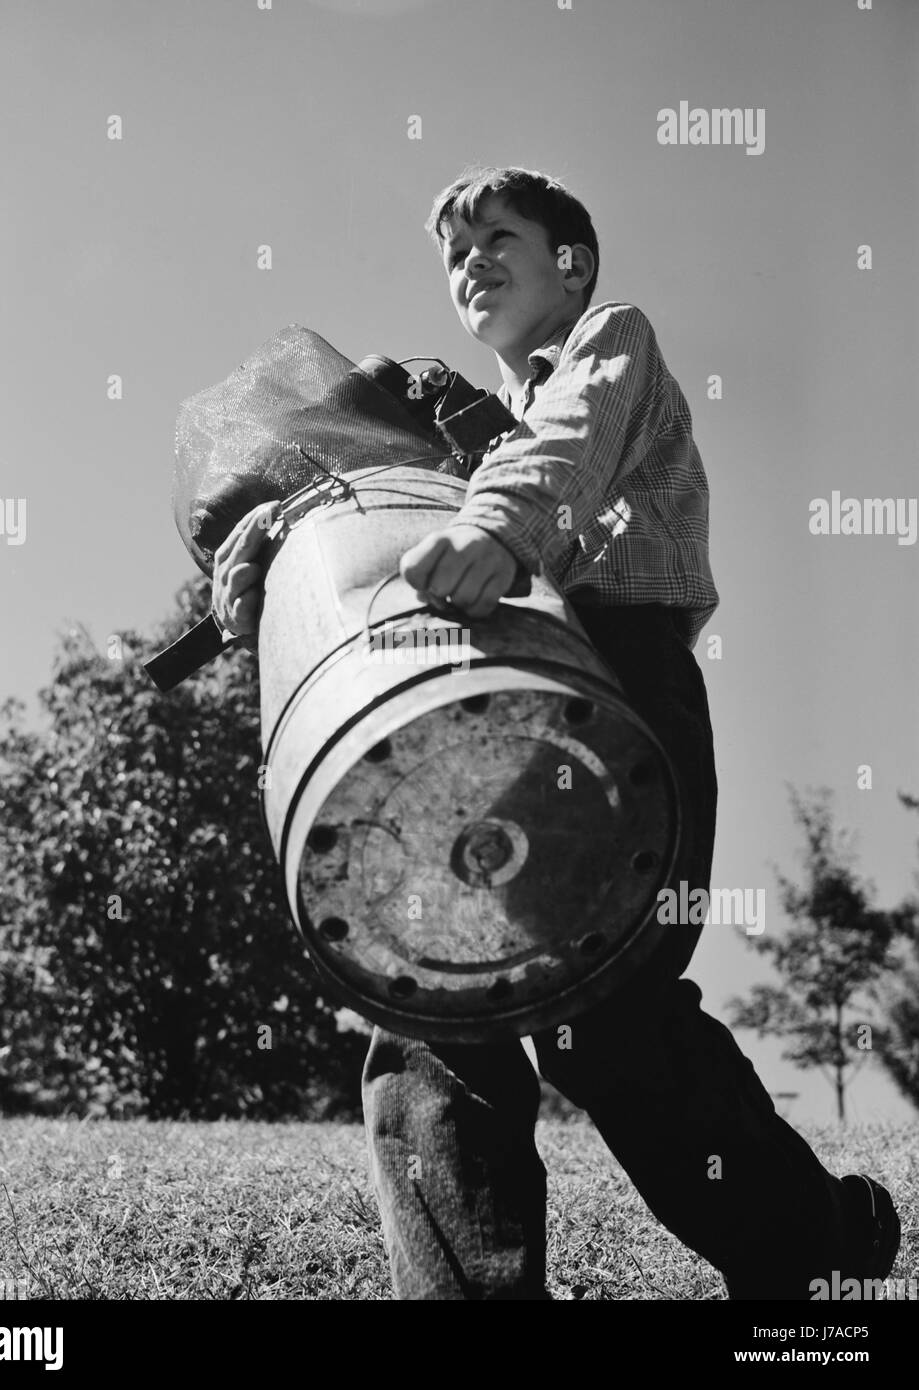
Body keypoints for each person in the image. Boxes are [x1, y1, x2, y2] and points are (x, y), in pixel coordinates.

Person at [211, 165, 900, 1301]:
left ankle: (813, 1249)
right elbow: (373, 533)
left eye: (498, 238)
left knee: (617, 1018)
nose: (469, 261)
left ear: (568, 262)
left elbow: (564, 448)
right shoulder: (453, 444)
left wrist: (497, 527)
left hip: (622, 682)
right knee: (428, 997)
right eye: (454, 251)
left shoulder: (604, 344)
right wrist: (271, 552)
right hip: (482, 698)